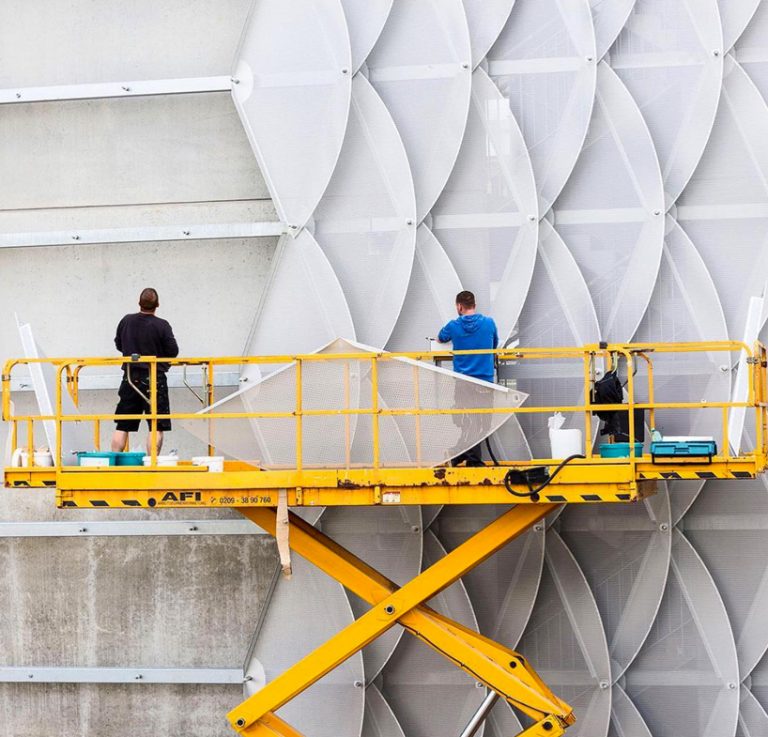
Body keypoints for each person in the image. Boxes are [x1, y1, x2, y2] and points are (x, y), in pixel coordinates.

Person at [111, 288, 179, 455]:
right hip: (154, 378)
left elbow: (119, 344)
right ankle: (152, 462)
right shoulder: (162, 325)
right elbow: (173, 351)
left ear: (139, 303)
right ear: (157, 305)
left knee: (123, 424)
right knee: (156, 425)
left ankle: (114, 463)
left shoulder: (126, 321)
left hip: (130, 376)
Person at [438, 290, 498, 466]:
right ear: (474, 305)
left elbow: (441, 338)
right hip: (485, 382)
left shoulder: (453, 326)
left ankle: (458, 455)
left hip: (464, 382)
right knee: (482, 423)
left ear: (459, 306)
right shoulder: (489, 323)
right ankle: (471, 459)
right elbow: (494, 345)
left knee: (468, 422)